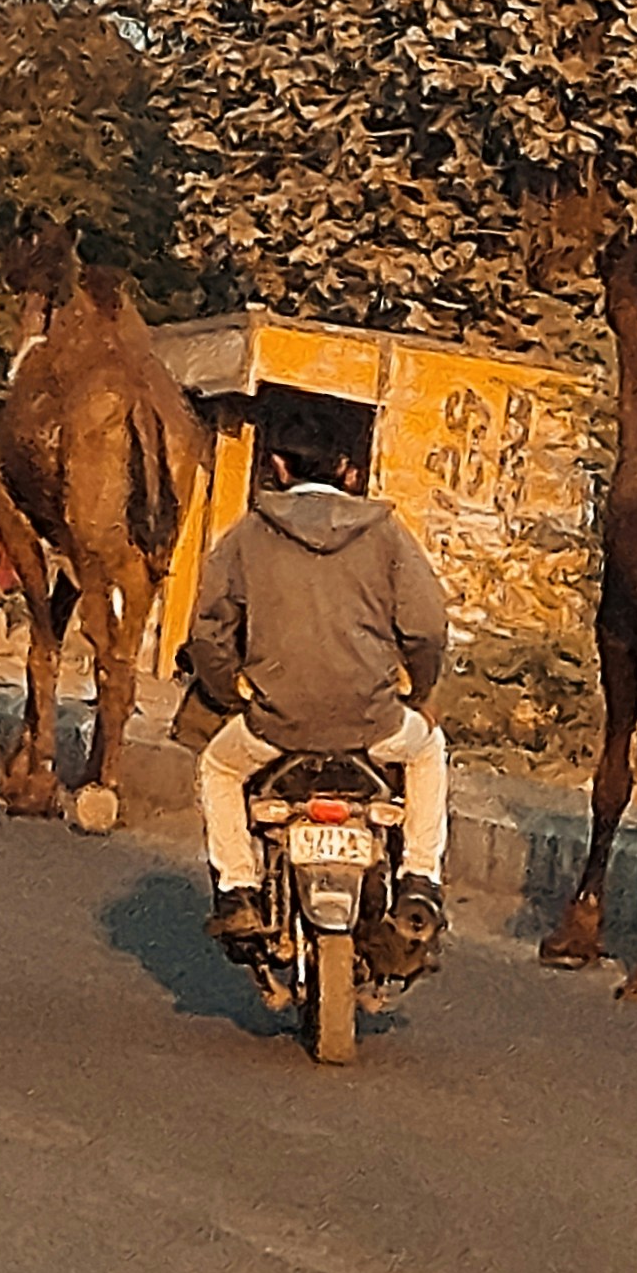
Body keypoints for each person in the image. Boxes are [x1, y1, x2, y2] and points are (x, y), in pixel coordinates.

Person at [179, 393, 449, 972]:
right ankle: (421, 880)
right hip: (373, 724)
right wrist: (417, 691)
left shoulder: (248, 534)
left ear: (279, 466)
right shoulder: (387, 535)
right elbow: (426, 629)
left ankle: (240, 889)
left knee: (219, 768)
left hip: (275, 726)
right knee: (429, 749)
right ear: (349, 471)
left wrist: (230, 692)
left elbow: (208, 632)